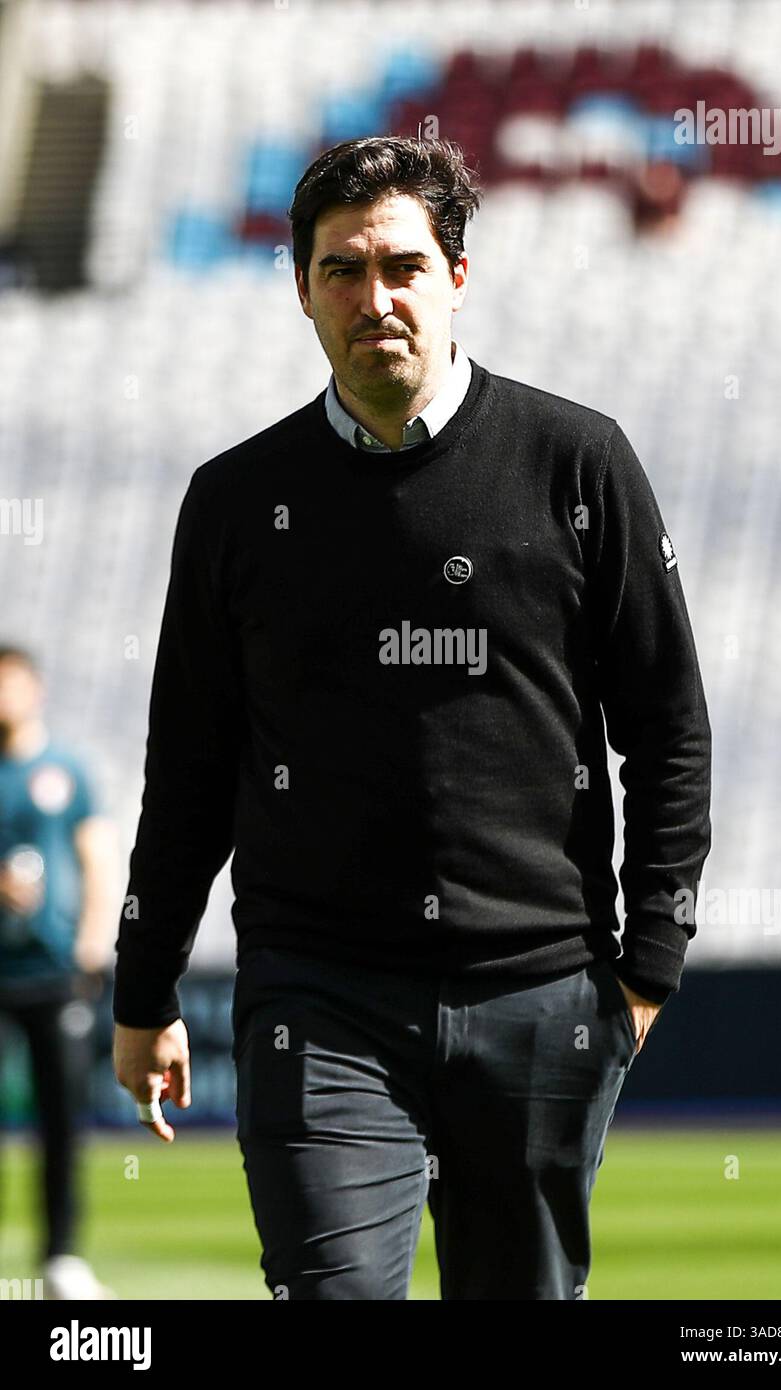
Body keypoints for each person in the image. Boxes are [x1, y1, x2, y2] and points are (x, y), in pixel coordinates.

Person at [112, 135, 712, 1300]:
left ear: (455, 277)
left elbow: (667, 726)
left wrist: (646, 971)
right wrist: (145, 992)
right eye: (341, 269)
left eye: (400, 266)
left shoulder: (576, 463)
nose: (373, 296)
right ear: (299, 290)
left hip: (540, 991)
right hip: (316, 997)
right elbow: (189, 767)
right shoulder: (235, 501)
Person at [0, 645, 119, 1299]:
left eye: (12, 685)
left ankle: (61, 1259)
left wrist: (92, 948)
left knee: (62, 1123)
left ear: (35, 690)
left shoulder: (65, 768)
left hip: (52, 971)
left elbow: (97, 857)